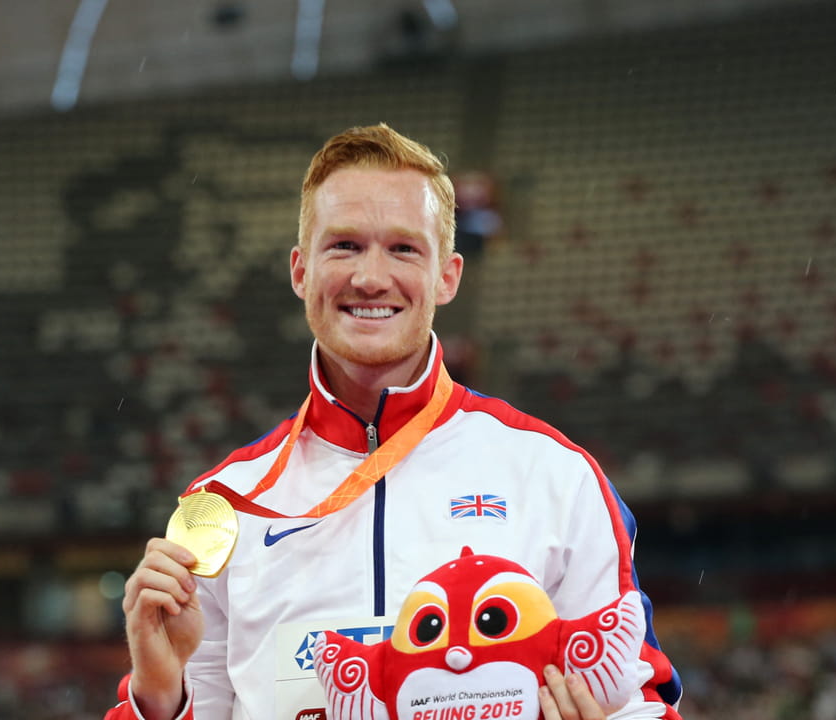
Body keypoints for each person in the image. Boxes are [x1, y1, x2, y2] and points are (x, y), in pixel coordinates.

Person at [105, 124, 683, 720]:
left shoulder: (554, 475)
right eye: (344, 246)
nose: (371, 278)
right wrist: (158, 693)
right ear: (301, 272)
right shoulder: (226, 505)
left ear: (447, 276)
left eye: (403, 248)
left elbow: (640, 701)